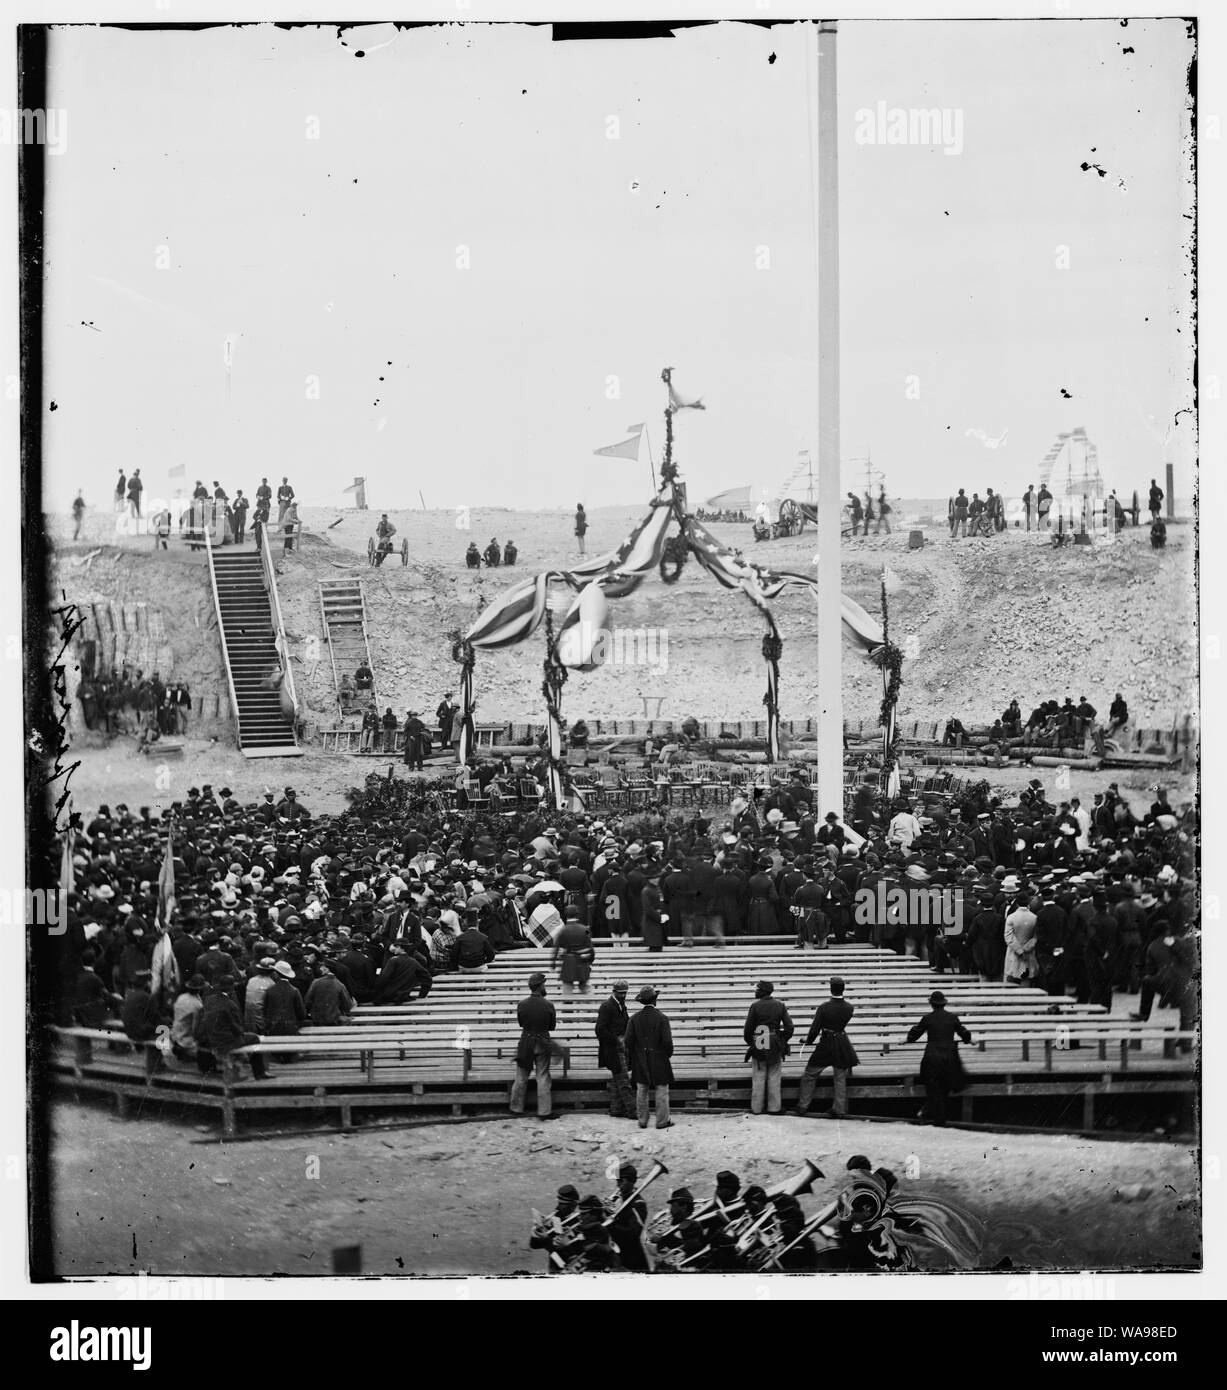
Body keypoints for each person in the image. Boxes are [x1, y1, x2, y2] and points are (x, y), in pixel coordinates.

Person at [794, 976, 859, 1118]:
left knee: (810, 1074)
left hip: (826, 1043)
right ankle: (839, 1109)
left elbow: (814, 1030)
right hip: (842, 1042)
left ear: (830, 989)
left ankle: (803, 1106)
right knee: (840, 1077)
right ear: (843, 989)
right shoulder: (849, 1008)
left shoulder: (824, 1007)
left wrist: (808, 1040)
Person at [906, 990, 971, 1127]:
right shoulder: (952, 1017)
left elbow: (915, 1034)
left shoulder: (927, 1018)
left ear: (932, 1004)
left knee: (933, 1086)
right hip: (949, 1056)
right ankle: (938, 1118)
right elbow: (963, 1032)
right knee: (945, 1086)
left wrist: (906, 1038)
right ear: (943, 1004)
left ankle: (932, 1115)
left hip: (933, 1055)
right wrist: (969, 1039)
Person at [510, 972, 560, 1121]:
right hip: (543, 1042)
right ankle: (544, 1111)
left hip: (526, 1042)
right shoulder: (549, 1005)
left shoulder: (522, 1004)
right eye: (544, 984)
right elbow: (552, 1026)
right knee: (543, 1076)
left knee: (521, 1076)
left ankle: (516, 1108)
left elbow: (521, 1023)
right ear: (541, 986)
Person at [625, 985, 674, 1129]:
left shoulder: (634, 1019)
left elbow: (628, 1041)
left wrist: (636, 1054)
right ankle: (662, 1121)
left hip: (640, 1058)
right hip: (659, 1058)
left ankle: (642, 1120)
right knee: (662, 1091)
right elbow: (667, 1042)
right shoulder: (662, 1018)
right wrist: (666, 1055)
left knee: (642, 1090)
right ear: (655, 1000)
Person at [743, 979, 794, 1115]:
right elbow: (789, 1027)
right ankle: (774, 1108)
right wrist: (782, 1040)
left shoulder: (755, 1006)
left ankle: (757, 1108)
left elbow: (748, 1030)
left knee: (759, 1074)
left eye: (757, 989)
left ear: (761, 991)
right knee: (774, 1075)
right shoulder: (780, 1005)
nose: (755, 991)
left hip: (760, 1040)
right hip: (774, 1042)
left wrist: (752, 1043)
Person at [595, 979, 635, 1119]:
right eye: (621, 993)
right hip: (613, 1049)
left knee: (617, 1079)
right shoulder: (607, 1007)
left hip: (622, 1047)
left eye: (625, 993)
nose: (623, 996)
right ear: (614, 992)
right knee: (623, 1080)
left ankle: (616, 1109)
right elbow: (600, 1030)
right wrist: (617, 1040)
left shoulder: (621, 1005)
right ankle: (632, 1111)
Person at [607, 1164, 650, 1271]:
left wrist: (610, 1223)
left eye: (620, 1181)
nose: (617, 1185)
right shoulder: (618, 1198)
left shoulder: (638, 1203)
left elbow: (633, 1233)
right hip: (616, 1254)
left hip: (631, 1258)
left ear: (629, 1181)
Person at [551, 912, 594, 995]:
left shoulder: (562, 930)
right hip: (582, 961)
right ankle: (590, 1006)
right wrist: (591, 960)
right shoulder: (585, 929)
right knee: (585, 987)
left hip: (568, 962)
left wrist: (553, 964)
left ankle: (567, 1006)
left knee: (567, 987)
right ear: (577, 915)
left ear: (566, 916)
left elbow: (556, 947)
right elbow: (590, 946)